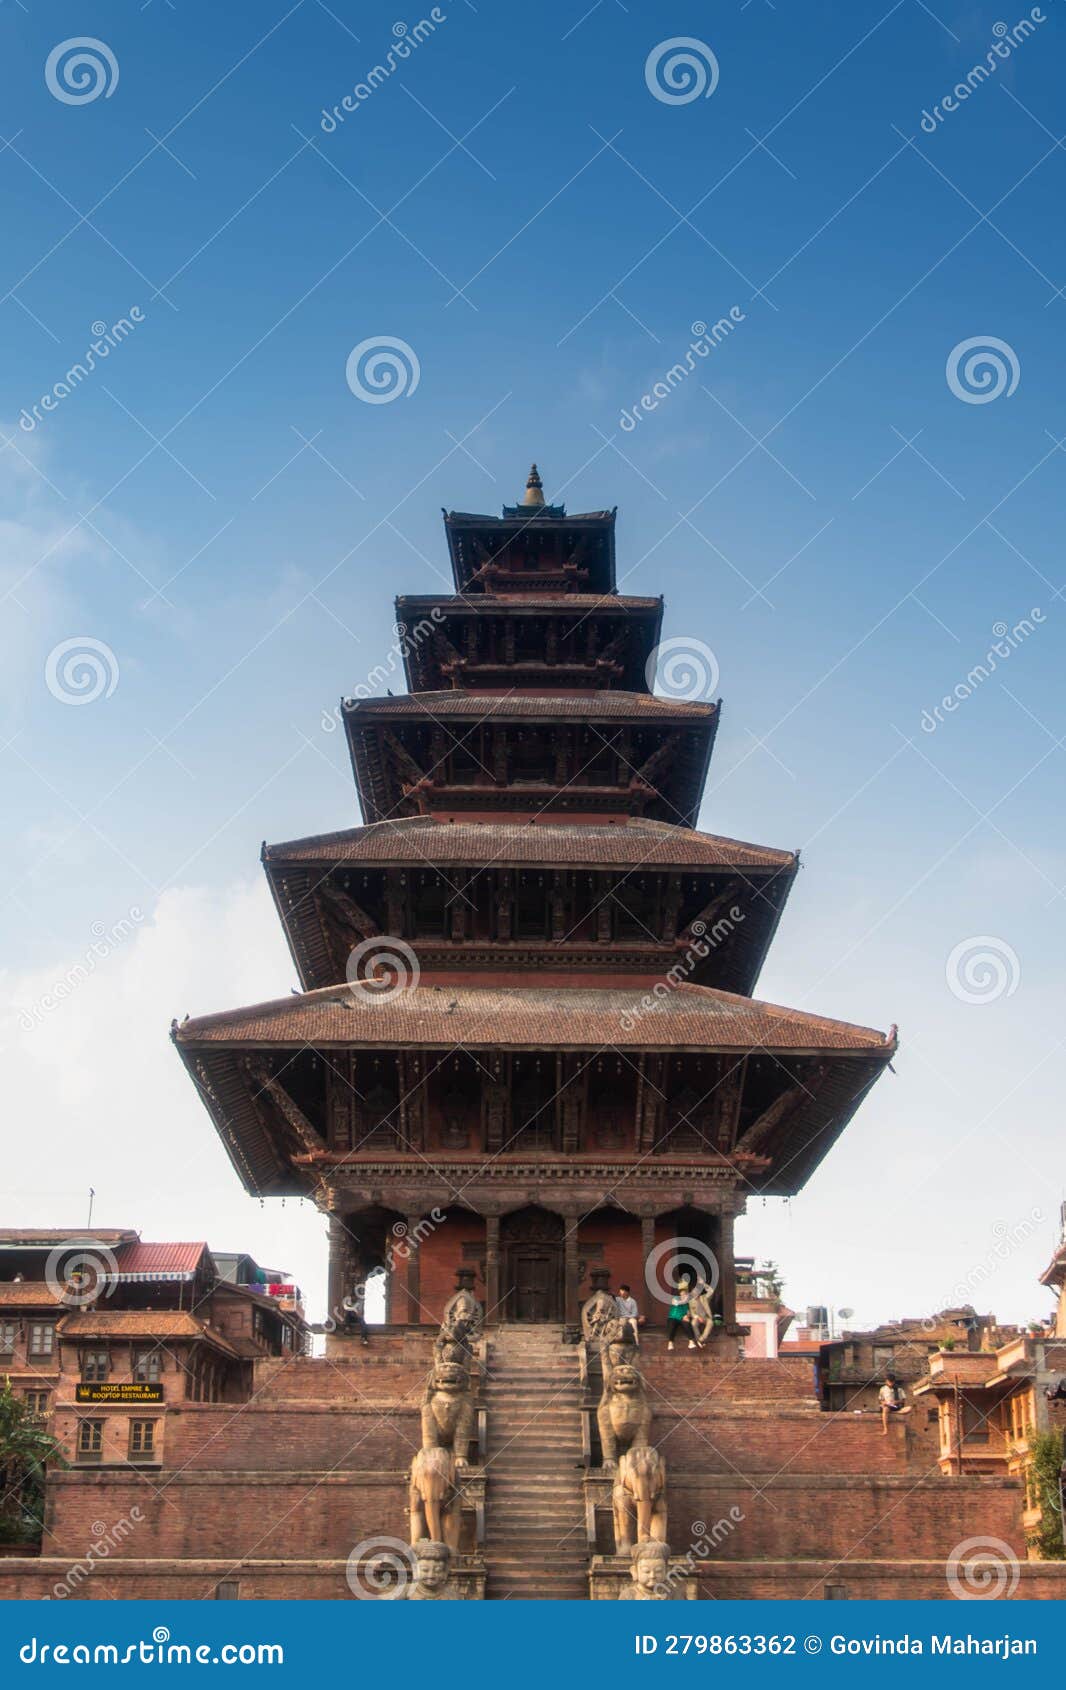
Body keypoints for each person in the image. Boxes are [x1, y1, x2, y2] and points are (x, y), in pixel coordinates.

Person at [667, 1275, 695, 1351]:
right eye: (682, 1294)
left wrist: (687, 1315)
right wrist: (683, 1316)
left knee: (687, 1323)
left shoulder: (686, 1303)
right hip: (673, 1317)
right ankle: (670, 1343)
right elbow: (676, 1305)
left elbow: (688, 1312)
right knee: (672, 1324)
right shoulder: (675, 1299)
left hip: (682, 1318)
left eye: (685, 1294)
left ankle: (691, 1342)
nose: (684, 1295)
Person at [343, 1278, 369, 1346]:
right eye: (352, 1297)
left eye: (355, 1298)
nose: (354, 1299)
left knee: (363, 1323)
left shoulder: (359, 1301)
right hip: (350, 1318)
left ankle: (364, 1338)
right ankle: (347, 1328)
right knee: (348, 1313)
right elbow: (345, 1307)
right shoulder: (347, 1300)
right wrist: (354, 1309)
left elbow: (359, 1312)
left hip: (356, 1317)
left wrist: (356, 1312)